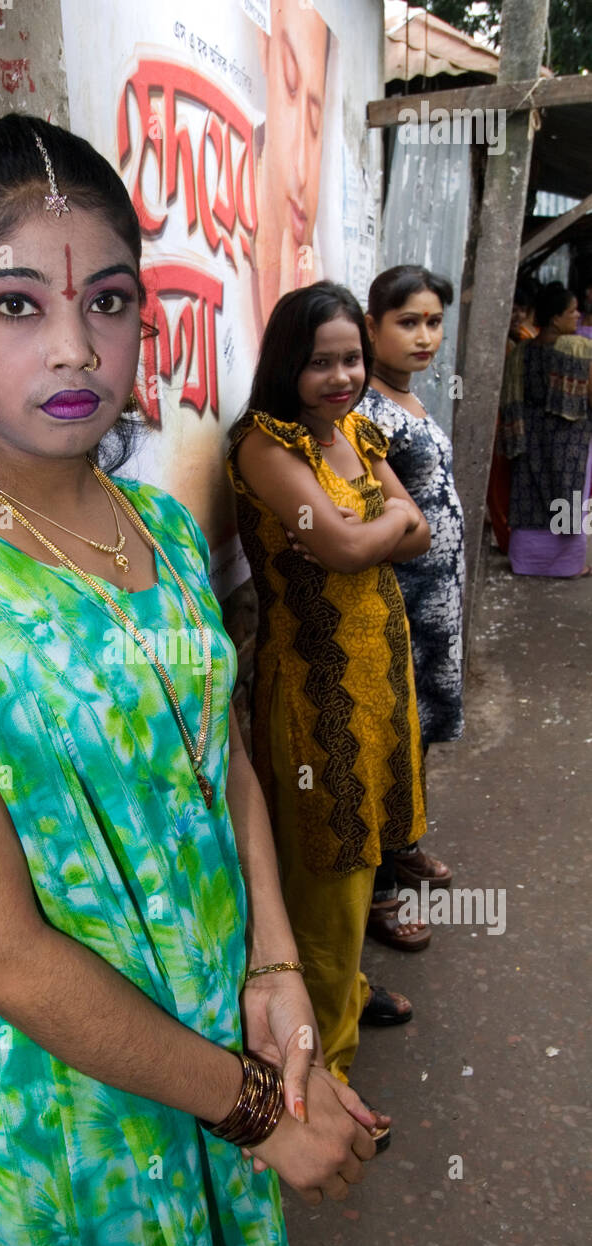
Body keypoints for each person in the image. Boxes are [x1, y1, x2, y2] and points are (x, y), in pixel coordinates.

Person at [0, 114, 379, 1246]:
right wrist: (260, 1110)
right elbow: (0, 952)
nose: (75, 348)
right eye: (15, 305)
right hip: (71, 1135)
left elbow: (220, 760)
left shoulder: (162, 530)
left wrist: (274, 969)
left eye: (109, 302)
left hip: (218, 1051)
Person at [226, 280, 430, 1124]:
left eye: (351, 358)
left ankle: (344, 989)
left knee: (366, 856)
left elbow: (409, 527)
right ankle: (324, 1085)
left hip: (379, 677)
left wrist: (365, 538)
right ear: (286, 365)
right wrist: (372, 536)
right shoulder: (264, 446)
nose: (343, 376)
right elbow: (356, 542)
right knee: (325, 874)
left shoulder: (354, 427)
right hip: (316, 694)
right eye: (321, 363)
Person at [357, 265, 464, 952]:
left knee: (417, 737)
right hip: (399, 604)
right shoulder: (364, 410)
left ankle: (406, 844)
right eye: (408, 322)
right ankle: (379, 893)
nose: (425, 335)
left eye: (432, 321)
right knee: (388, 746)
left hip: (438, 605)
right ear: (373, 327)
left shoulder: (412, 399)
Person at [500, 281, 592, 579]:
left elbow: (512, 395)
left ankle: (528, 562)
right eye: (572, 311)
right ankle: (568, 565)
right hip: (569, 436)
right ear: (555, 318)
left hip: (528, 433)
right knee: (566, 497)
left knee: (529, 494)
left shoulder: (521, 352)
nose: (577, 316)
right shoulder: (580, 349)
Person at [253, 1, 331, 333]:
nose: (301, 167)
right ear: (264, 47)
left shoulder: (319, 273)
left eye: (315, 121)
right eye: (290, 84)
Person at [489, 278, 540, 554]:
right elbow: (459, 381)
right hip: (497, 419)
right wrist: (457, 396)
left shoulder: (523, 339)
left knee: (506, 482)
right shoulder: (503, 344)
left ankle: (511, 537)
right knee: (498, 483)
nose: (516, 315)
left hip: (513, 420)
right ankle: (507, 536)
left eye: (520, 309)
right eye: (511, 309)